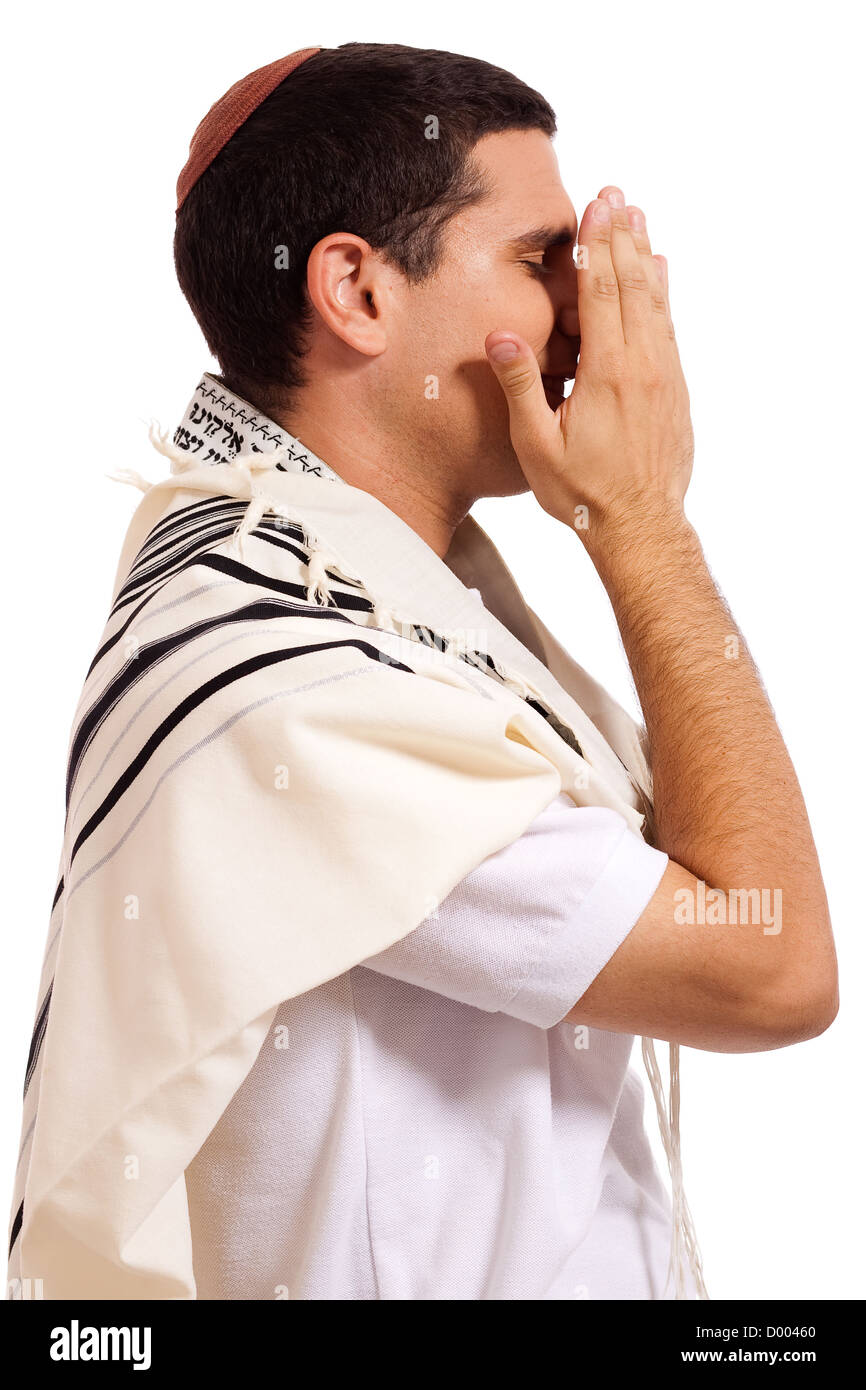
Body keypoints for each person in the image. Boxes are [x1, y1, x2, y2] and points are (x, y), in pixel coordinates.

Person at [7, 41, 837, 1302]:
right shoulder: (288, 671)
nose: (584, 310)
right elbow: (770, 965)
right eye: (535, 258)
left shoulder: (361, 599)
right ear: (356, 291)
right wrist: (644, 520)